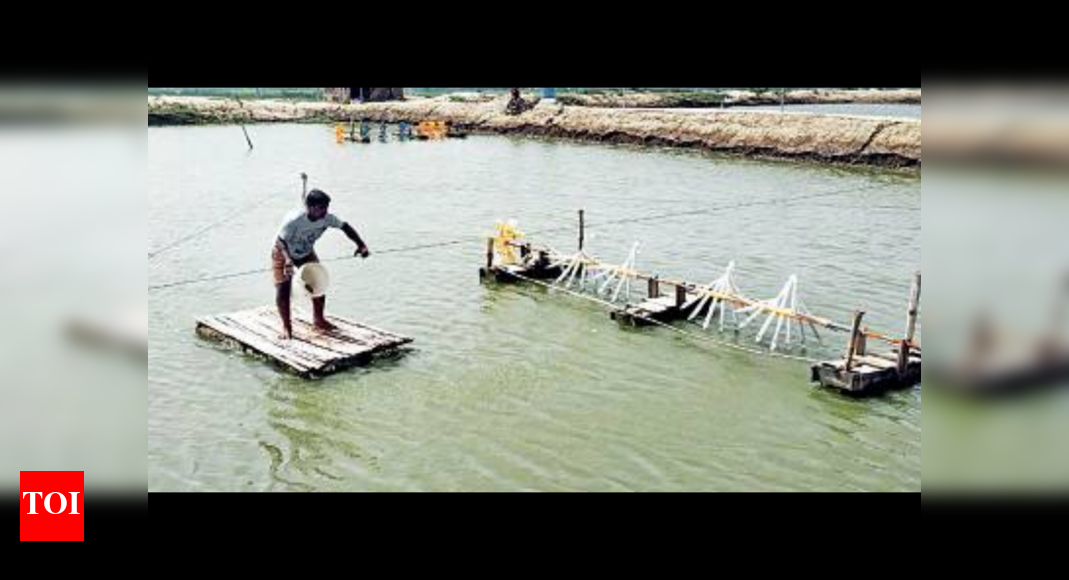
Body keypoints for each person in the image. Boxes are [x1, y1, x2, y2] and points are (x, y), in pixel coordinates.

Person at [272, 189, 370, 339]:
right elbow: (280, 241)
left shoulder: (327, 218)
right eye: (321, 208)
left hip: (305, 252)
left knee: (317, 283)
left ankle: (319, 320)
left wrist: (361, 245)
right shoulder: (295, 220)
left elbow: (345, 227)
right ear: (310, 207)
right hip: (282, 252)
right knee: (283, 288)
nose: (325, 211)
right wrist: (288, 260)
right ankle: (287, 326)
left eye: (326, 207)